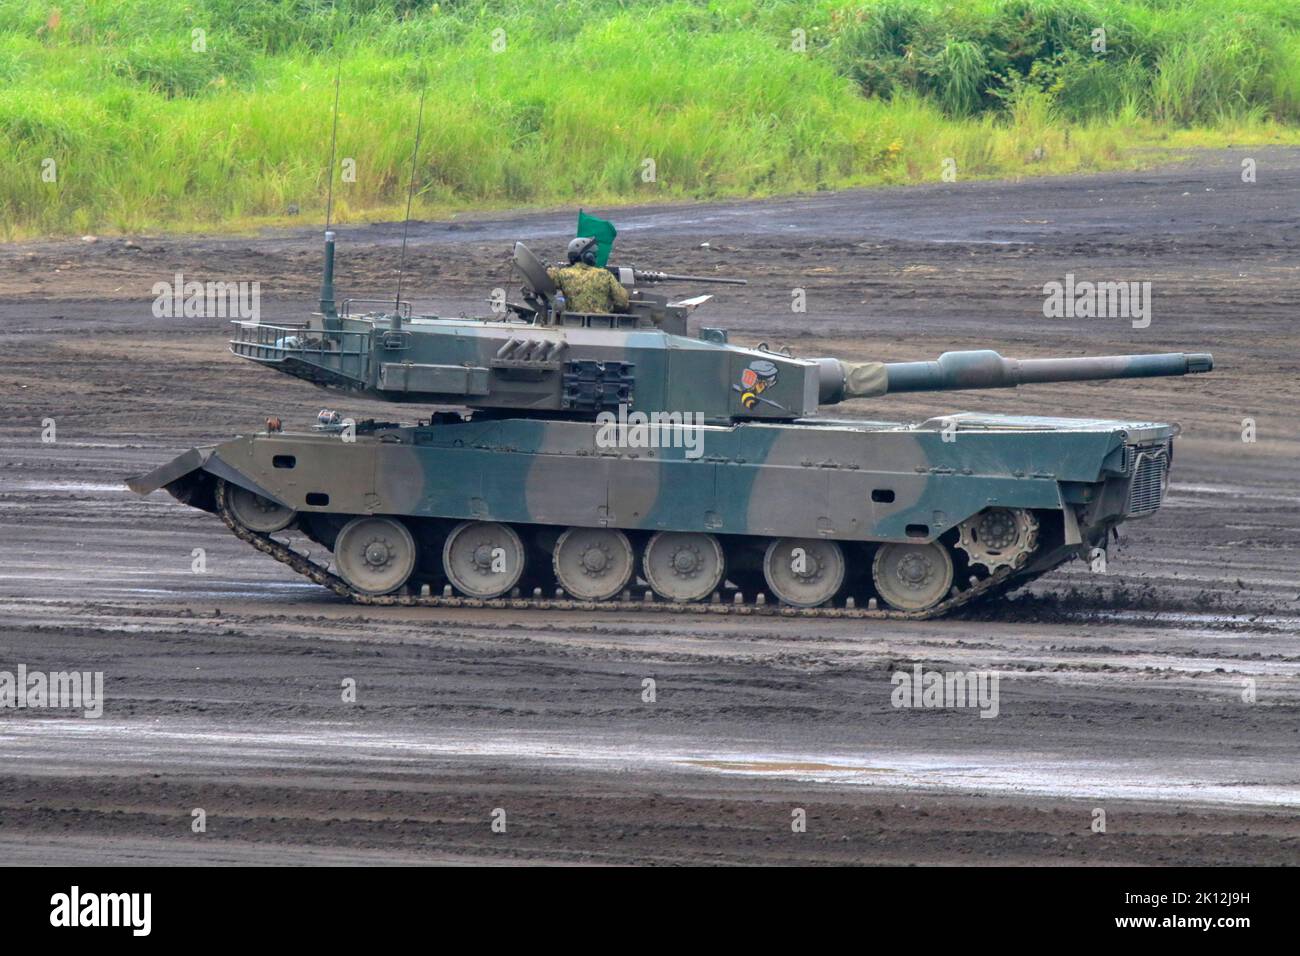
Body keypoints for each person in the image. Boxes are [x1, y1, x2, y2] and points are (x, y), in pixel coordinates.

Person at [546, 237, 630, 314]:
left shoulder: (563, 274)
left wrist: (550, 270)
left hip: (573, 321)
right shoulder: (604, 275)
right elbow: (623, 302)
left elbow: (546, 283)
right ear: (588, 256)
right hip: (601, 322)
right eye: (594, 255)